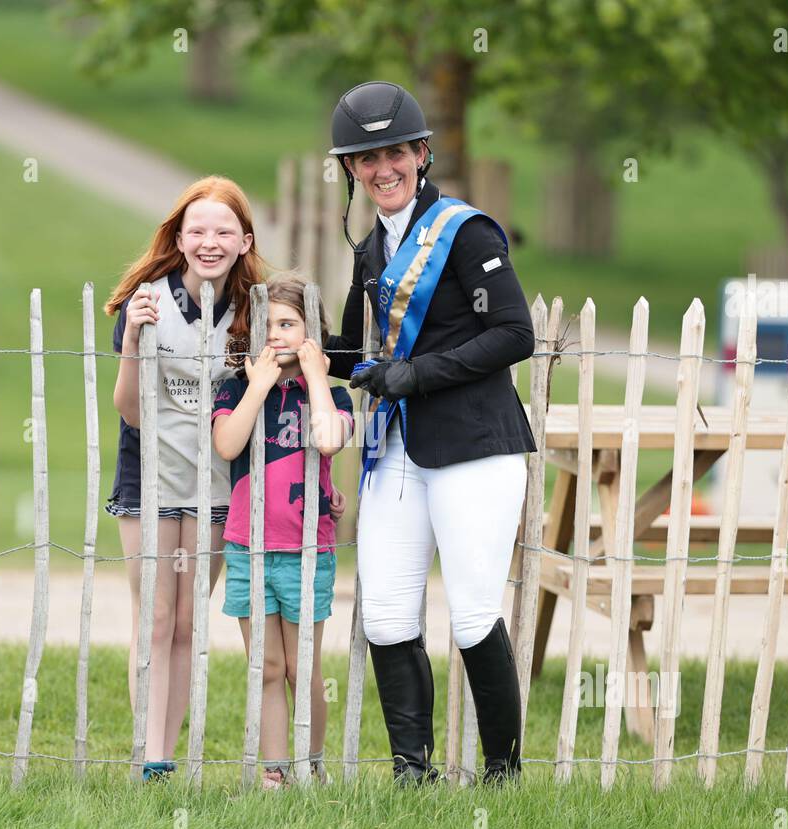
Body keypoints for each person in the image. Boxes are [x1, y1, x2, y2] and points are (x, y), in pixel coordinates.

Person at [325, 81, 536, 783]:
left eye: (394, 153)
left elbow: (514, 334)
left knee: (473, 613)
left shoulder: (466, 232)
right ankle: (412, 775)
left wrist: (418, 375)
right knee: (385, 613)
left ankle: (503, 776)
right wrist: (291, 346)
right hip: (399, 454)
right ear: (349, 169)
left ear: (421, 153)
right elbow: (363, 358)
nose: (382, 169)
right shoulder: (370, 250)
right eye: (365, 158)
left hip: (475, 446)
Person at [107, 175, 266, 781]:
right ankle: (150, 756)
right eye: (196, 229)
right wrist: (130, 338)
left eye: (224, 230)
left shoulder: (253, 314)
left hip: (216, 484)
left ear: (244, 240)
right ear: (177, 236)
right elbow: (131, 410)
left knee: (187, 619)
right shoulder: (145, 302)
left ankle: (167, 752)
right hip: (147, 478)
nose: (209, 241)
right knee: (154, 616)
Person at [211, 274, 355, 789]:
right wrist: (257, 387)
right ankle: (274, 771)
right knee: (267, 667)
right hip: (247, 550)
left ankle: (310, 761)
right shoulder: (235, 387)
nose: (276, 334)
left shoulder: (333, 397)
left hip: (305, 552)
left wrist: (317, 375)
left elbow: (329, 440)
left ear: (312, 332)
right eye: (267, 324)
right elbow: (228, 444)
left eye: (289, 324)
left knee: (302, 668)